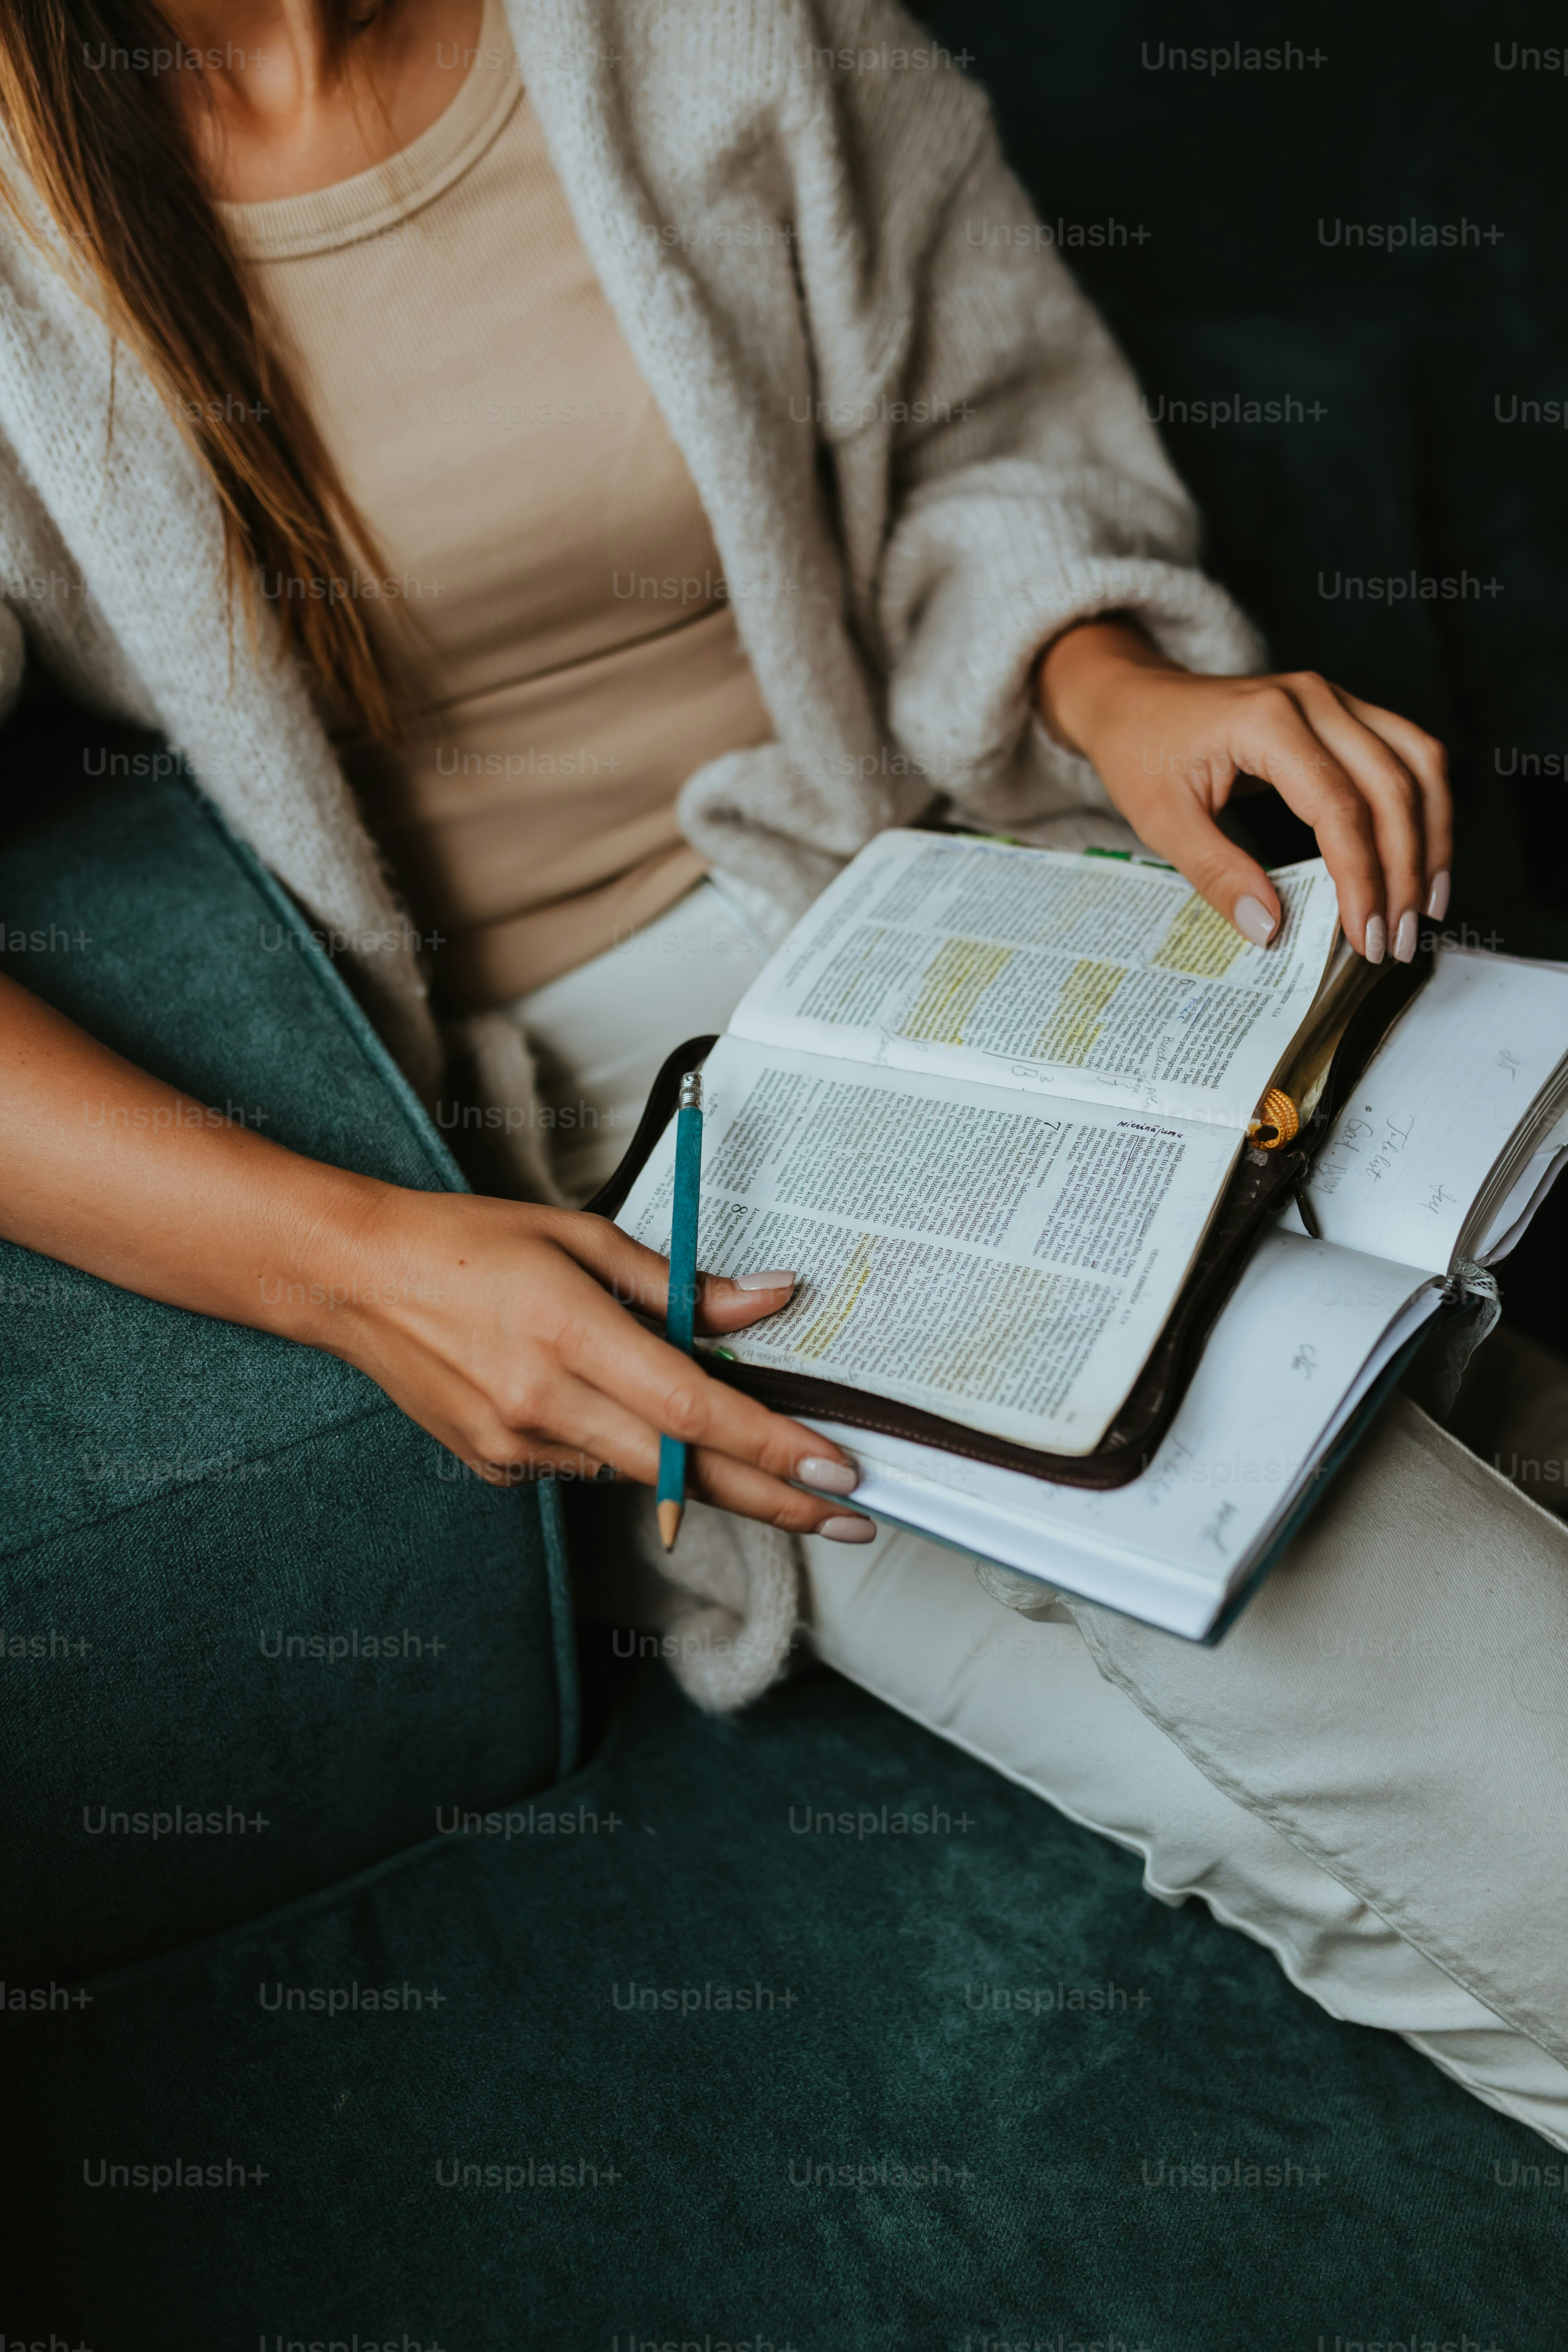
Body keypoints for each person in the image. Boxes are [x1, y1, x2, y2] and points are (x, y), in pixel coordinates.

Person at [2, 0, 1565, 2147]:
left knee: (1482, 1465)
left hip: (989, 903)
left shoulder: (711, 28)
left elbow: (983, 443)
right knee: (1465, 1744)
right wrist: (362, 1270)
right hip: (609, 1149)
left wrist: (1107, 685)